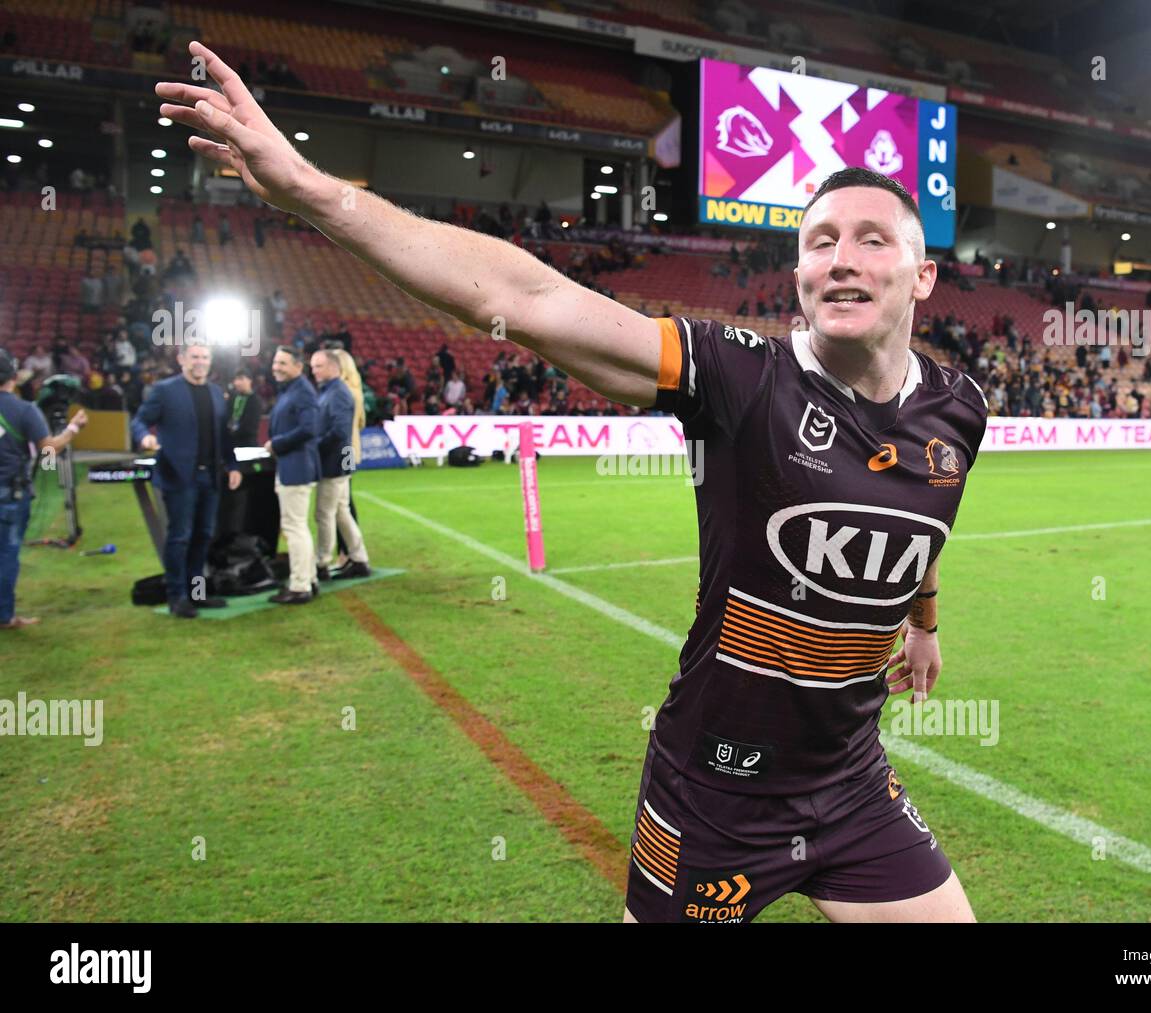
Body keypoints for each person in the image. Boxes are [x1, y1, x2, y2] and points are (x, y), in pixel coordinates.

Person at [158, 47, 984, 923]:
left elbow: (923, 523)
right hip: (717, 790)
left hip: (852, 778)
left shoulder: (958, 410)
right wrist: (312, 189)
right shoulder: (743, 378)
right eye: (820, 241)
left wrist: (923, 623)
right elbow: (527, 295)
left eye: (872, 239)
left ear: (922, 276)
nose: (843, 258)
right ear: (798, 276)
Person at [130, 342, 242, 618]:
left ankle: (198, 593)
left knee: (204, 536)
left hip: (210, 477)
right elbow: (138, 421)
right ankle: (176, 597)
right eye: (194, 357)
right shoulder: (165, 391)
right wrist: (144, 437)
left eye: (205, 357)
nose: (200, 362)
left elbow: (224, 435)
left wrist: (233, 465)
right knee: (179, 537)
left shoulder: (216, 393)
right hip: (179, 477)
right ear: (182, 360)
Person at [0, 348, 88, 629]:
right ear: (13, 378)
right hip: (10, 494)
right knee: (7, 555)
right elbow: (48, 449)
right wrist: (72, 428)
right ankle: (4, 615)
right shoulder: (24, 410)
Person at [264, 345, 319, 604]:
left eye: (283, 363)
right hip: (292, 465)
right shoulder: (292, 390)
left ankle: (300, 586)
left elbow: (309, 428)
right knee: (298, 527)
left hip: (296, 466)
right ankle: (308, 579)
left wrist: (277, 444)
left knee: (294, 528)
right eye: (276, 362)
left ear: (298, 366)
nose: (276, 367)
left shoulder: (302, 392)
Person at [310, 348, 370, 581]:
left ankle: (322, 562)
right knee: (341, 510)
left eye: (319, 366)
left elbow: (338, 431)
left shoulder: (338, 393)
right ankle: (358, 557)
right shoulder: (335, 392)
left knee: (325, 513)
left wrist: (315, 445)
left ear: (335, 367)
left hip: (334, 460)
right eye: (313, 366)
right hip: (342, 457)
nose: (314, 371)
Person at [226, 367, 263, 447]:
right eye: (235, 379)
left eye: (241, 379)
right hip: (231, 444)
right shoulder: (232, 398)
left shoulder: (255, 401)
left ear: (250, 380)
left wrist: (233, 431)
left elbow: (250, 427)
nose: (237, 383)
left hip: (248, 445)